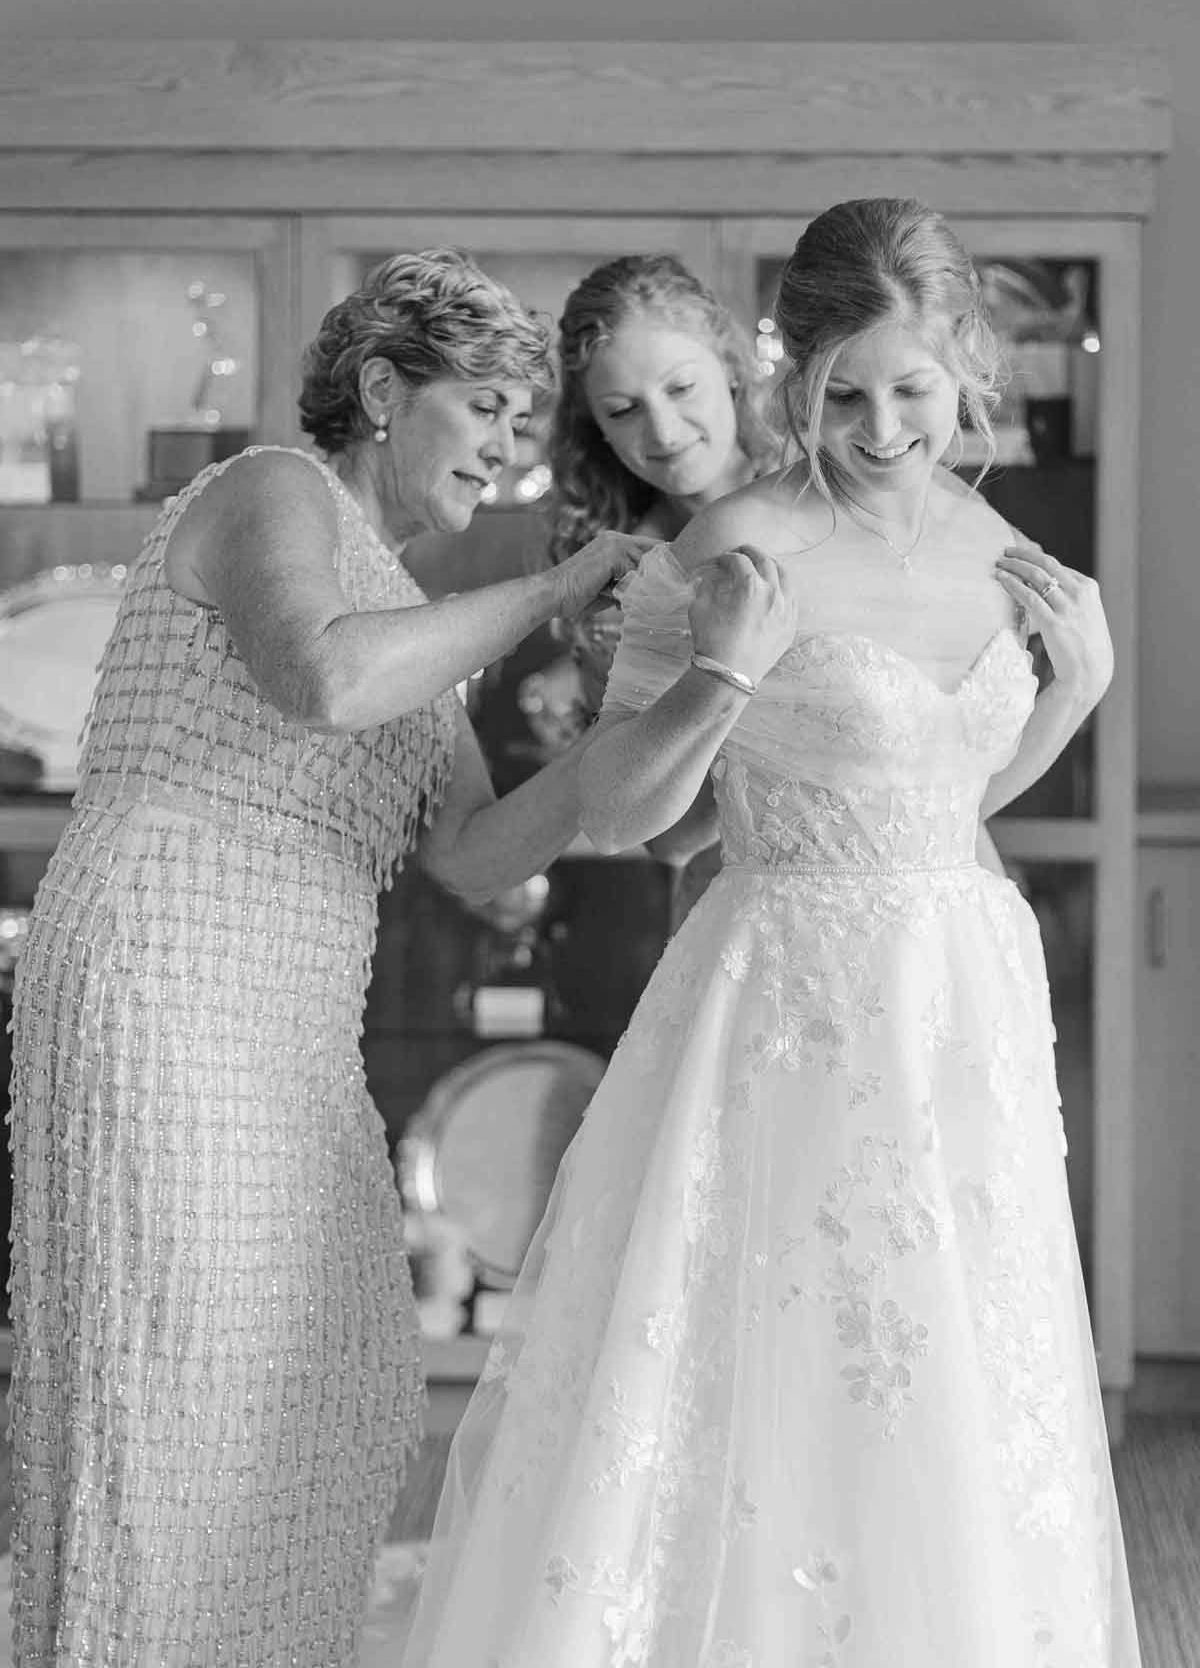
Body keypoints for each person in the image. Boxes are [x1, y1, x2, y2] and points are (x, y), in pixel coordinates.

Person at [398, 201, 1140, 1665]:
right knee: (778, 1355)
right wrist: (722, 677)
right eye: (843, 392)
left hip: (962, 1005)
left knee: (952, 1375)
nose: (878, 427)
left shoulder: (1000, 544)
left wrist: (1072, 693)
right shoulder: (733, 545)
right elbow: (627, 818)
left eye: (911, 392)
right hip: (793, 1001)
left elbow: (942, 798)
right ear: (791, 375)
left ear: (967, 368)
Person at [6, 247, 645, 1668]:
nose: (507, 446)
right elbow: (322, 676)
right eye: (484, 405)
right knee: (174, 1396)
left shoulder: (412, 621)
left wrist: (641, 703)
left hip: (292, 1009)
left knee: (348, 1383)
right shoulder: (270, 492)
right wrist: (545, 595)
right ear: (376, 387)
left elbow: (485, 859)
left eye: (524, 422)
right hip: (163, 963)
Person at [533, 252, 779, 924]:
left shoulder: (833, 498)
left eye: (679, 389)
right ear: (596, 427)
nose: (663, 432)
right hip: (728, 913)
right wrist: (721, 681)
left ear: (732, 367)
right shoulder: (614, 588)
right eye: (623, 410)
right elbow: (663, 839)